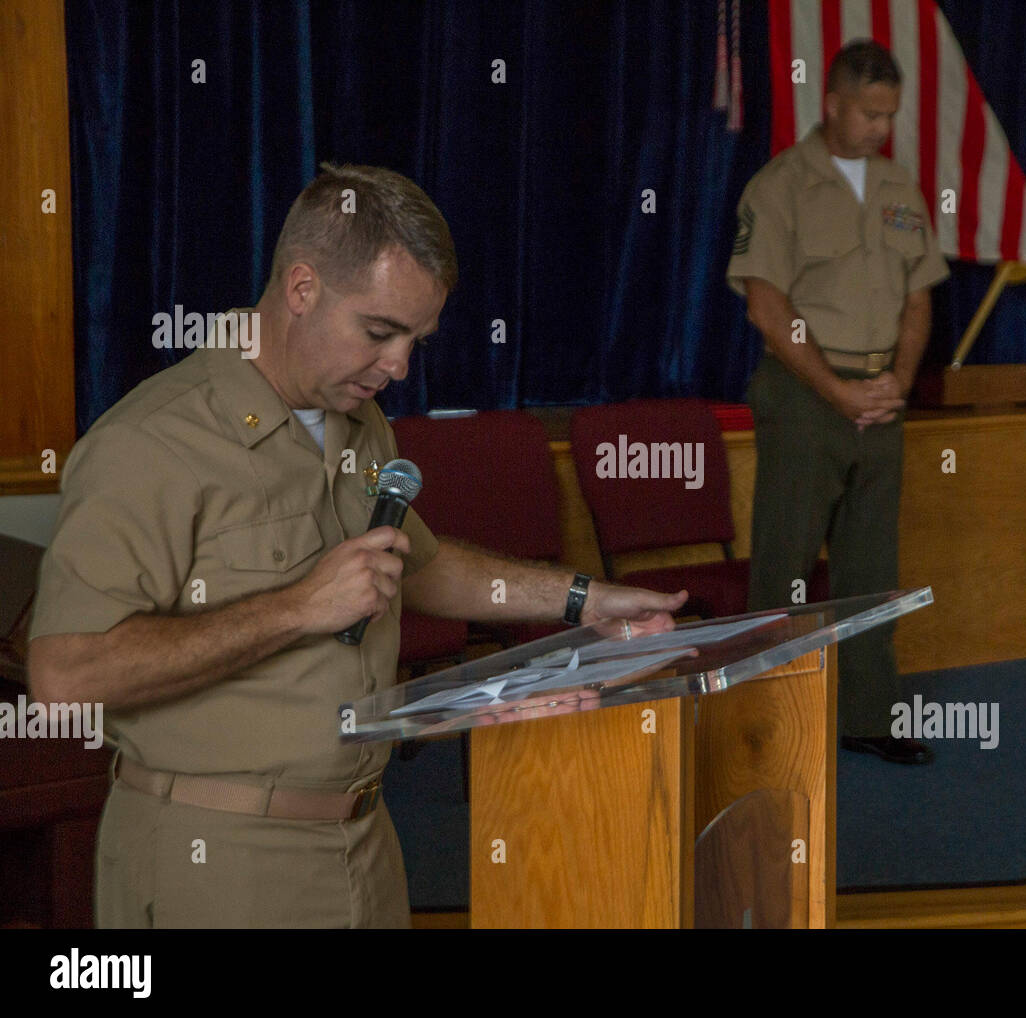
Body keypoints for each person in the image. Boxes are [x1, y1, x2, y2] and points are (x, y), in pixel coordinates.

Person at [26, 163, 688, 928]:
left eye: (416, 339)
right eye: (379, 332)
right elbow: (63, 676)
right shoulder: (151, 442)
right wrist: (298, 607)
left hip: (366, 842)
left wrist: (583, 600)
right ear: (302, 289)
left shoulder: (356, 419)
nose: (400, 365)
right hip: (216, 861)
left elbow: (419, 568)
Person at [726, 41, 948, 764]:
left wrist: (897, 383)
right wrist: (838, 389)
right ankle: (766, 724)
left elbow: (918, 297)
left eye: (891, 114)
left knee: (871, 573)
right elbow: (767, 305)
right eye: (869, 113)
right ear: (832, 103)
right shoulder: (781, 185)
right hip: (805, 397)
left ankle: (868, 718)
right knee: (785, 567)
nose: (882, 127)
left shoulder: (898, 187)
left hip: (880, 398)